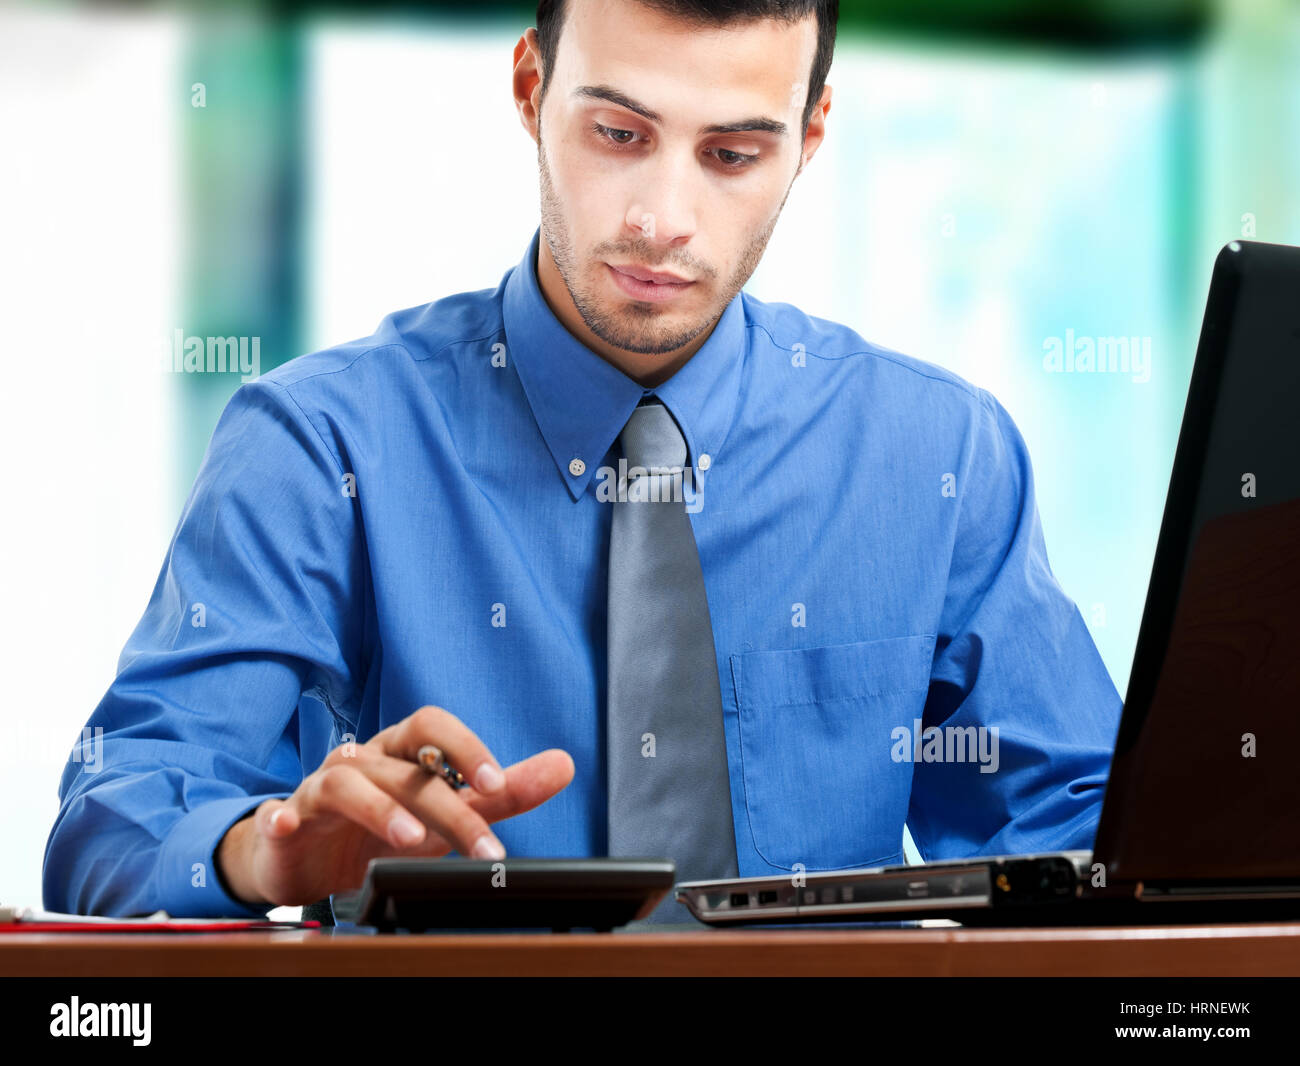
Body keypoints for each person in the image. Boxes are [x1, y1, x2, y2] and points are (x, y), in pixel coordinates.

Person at [44, 0, 1121, 926]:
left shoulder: (938, 455)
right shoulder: (321, 442)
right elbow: (116, 814)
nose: (661, 220)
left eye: (733, 154)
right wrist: (261, 849)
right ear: (529, 87)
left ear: (812, 132)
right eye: (616, 132)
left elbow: (1087, 834)